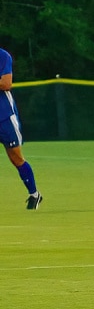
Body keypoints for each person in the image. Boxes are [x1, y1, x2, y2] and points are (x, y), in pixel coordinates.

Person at [0, 45, 43, 209]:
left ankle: (34, 194)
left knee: (16, 158)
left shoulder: (3, 56)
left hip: (4, 117)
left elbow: (6, 83)